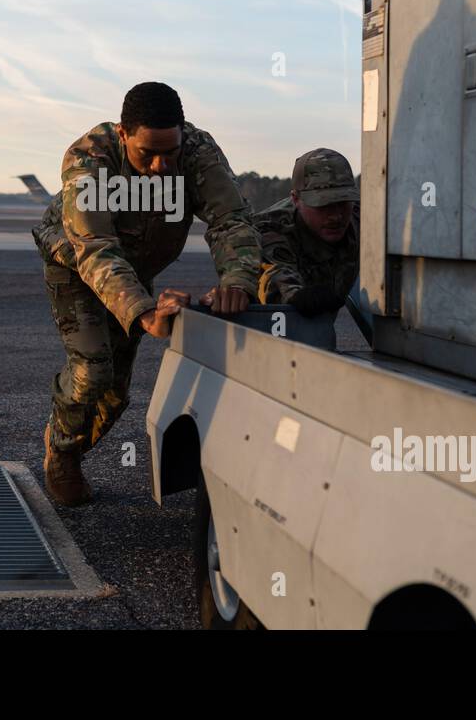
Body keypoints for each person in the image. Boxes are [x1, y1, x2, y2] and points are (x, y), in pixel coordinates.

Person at [32, 81, 261, 506]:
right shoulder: (90, 158)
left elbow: (230, 220)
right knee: (92, 370)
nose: (160, 166)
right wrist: (142, 311)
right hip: (76, 261)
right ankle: (61, 452)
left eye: (169, 153)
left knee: (116, 395)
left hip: (133, 270)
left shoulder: (197, 152)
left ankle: (70, 441)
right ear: (123, 134)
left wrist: (237, 280)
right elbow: (95, 247)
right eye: (146, 154)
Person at [256, 148, 360, 316]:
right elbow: (276, 275)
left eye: (342, 203)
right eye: (323, 205)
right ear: (296, 199)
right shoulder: (270, 229)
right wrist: (297, 295)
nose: (335, 216)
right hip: (270, 326)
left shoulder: (362, 219)